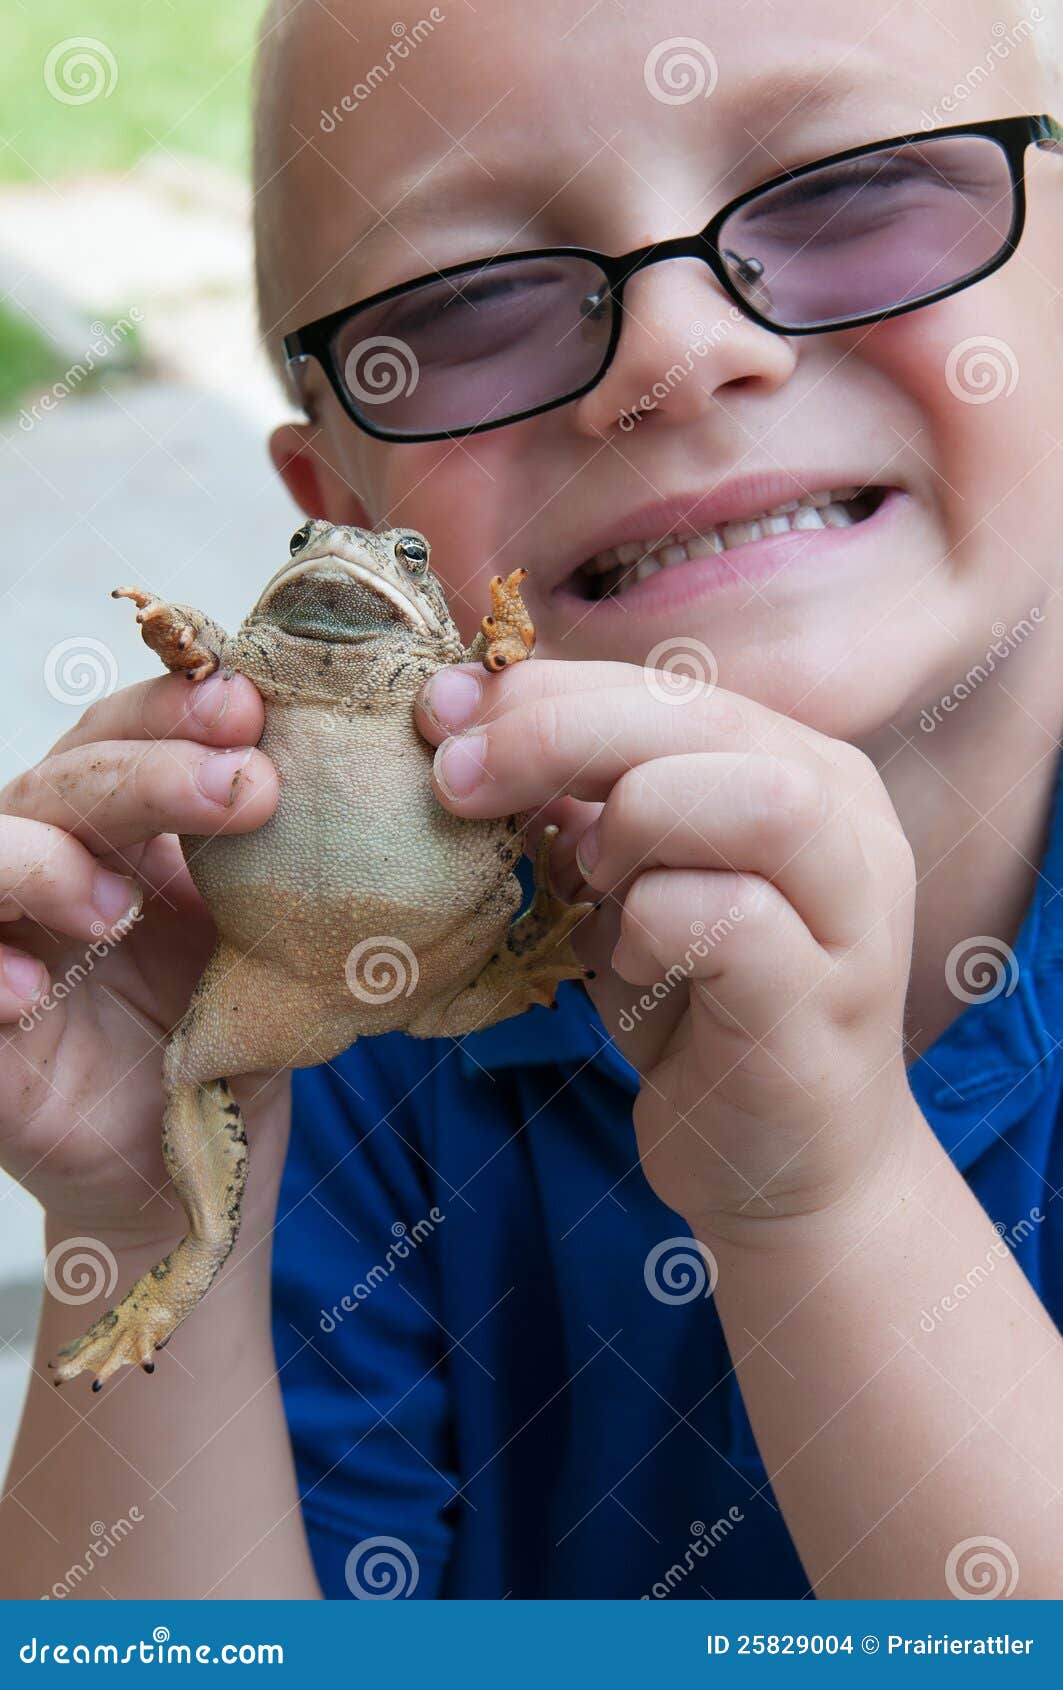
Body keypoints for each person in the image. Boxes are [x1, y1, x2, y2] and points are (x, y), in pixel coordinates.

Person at [3, 0, 1063, 1600]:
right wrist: (147, 1217)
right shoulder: (358, 1026)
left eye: (854, 195)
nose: (684, 352)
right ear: (340, 504)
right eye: (474, 301)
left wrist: (821, 1193)